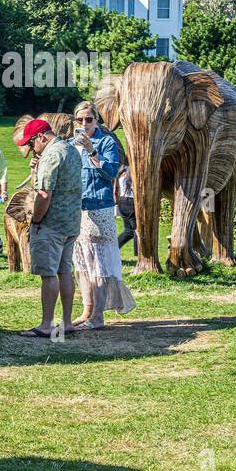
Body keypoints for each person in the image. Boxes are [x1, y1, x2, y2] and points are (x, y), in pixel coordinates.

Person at [71, 101, 134, 329]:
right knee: (81, 262)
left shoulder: (106, 142)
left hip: (100, 208)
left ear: (96, 120)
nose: (85, 124)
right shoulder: (69, 145)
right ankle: (86, 310)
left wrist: (91, 150)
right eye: (80, 120)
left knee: (99, 262)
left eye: (89, 119)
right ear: (74, 121)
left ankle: (98, 315)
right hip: (76, 209)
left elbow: (110, 174)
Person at [18, 118, 82, 338]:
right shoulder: (70, 150)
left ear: (41, 137)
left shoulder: (51, 156)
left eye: (30, 143)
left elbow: (44, 195)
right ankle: (66, 322)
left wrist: (36, 221)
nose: (30, 148)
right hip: (71, 222)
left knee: (48, 274)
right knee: (65, 271)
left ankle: (46, 324)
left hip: (51, 224)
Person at [116, 164, 137, 249]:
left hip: (122, 201)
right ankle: (141, 256)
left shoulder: (121, 173)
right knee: (137, 231)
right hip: (130, 202)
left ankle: (114, 249)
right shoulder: (132, 174)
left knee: (129, 231)